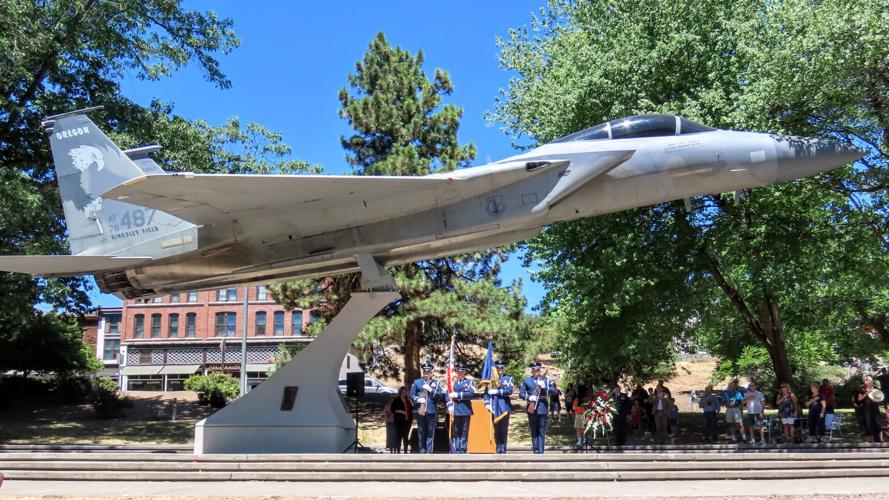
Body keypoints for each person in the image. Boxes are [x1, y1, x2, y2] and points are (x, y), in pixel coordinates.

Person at [519, 361, 558, 454]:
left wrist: (546, 387)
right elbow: (521, 393)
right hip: (531, 408)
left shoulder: (546, 380)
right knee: (534, 431)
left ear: (540, 370)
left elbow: (555, 391)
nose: (536, 371)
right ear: (531, 371)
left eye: (537, 369)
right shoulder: (527, 380)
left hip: (542, 407)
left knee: (542, 431)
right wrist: (529, 397)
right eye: (534, 370)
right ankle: (535, 451)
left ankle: (541, 452)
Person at [409, 363, 445, 453]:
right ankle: (422, 450)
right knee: (421, 432)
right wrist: (418, 399)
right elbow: (411, 394)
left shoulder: (435, 383)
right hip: (420, 411)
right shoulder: (417, 382)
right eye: (424, 372)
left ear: (431, 372)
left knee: (430, 432)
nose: (426, 373)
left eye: (428, 372)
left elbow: (440, 396)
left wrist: (431, 390)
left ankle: (429, 452)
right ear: (422, 372)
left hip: (431, 411)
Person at [484, 359, 514, 454]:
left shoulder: (508, 378)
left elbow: (509, 391)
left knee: (503, 429)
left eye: (502, 367)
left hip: (504, 406)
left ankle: (503, 449)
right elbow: (486, 393)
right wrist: (487, 403)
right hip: (494, 406)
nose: (500, 369)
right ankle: (498, 448)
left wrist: (498, 391)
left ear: (504, 368)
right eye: (498, 368)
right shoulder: (491, 379)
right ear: (495, 368)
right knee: (496, 430)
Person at [448, 363, 475, 454]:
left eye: (462, 371)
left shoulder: (469, 382)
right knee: (456, 431)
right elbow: (447, 395)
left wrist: (458, 395)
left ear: (465, 372)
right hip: (455, 409)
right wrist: (449, 405)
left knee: (464, 431)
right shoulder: (453, 383)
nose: (460, 373)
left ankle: (463, 449)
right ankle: (457, 449)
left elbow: (471, 394)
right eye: (459, 371)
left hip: (465, 409)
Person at [857, 375, 884, 443]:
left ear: (870, 381)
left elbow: (880, 399)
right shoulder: (862, 388)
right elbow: (859, 399)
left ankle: (881, 439)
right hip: (866, 408)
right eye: (864, 380)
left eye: (866, 379)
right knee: (868, 423)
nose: (864, 381)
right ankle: (870, 439)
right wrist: (867, 393)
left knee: (878, 423)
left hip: (875, 407)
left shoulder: (875, 388)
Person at [391, 386, 412, 453]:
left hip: (407, 420)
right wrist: (400, 411)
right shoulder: (396, 400)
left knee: (406, 436)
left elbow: (413, 407)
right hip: (399, 420)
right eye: (403, 392)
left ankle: (405, 451)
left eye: (405, 392)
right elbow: (392, 409)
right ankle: (398, 451)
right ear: (400, 393)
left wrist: (410, 399)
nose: (404, 393)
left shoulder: (408, 400)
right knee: (399, 436)